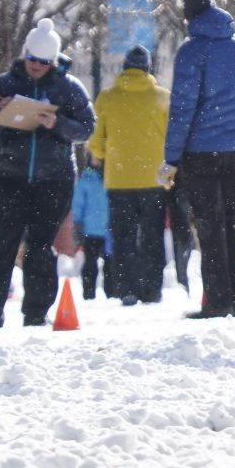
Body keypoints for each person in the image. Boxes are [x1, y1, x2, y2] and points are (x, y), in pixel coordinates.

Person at [0, 19, 96, 327]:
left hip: (53, 180)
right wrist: (1, 113)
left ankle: (36, 313)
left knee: (41, 247)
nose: (37, 66)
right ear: (24, 54)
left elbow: (86, 128)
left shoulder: (69, 88)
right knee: (2, 246)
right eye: (32, 59)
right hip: (10, 176)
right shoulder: (4, 84)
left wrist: (57, 124)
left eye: (44, 62)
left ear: (53, 61)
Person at [160, 0, 235, 320]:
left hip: (200, 150)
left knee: (209, 226)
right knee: (232, 225)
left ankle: (217, 302)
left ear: (189, 15)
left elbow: (182, 108)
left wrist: (172, 157)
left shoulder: (192, 51)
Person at [88, 45, 171, 306]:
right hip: (154, 179)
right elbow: (173, 138)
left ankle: (126, 288)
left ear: (124, 67)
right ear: (148, 68)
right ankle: (152, 289)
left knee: (123, 236)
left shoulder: (107, 98)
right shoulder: (162, 98)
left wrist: (104, 155)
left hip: (119, 179)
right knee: (152, 235)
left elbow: (96, 141)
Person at [70, 157, 110, 299]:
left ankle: (111, 292)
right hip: (91, 229)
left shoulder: (109, 178)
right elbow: (78, 203)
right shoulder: (86, 179)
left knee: (110, 262)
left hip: (108, 229)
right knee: (90, 262)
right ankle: (89, 292)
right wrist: (77, 223)